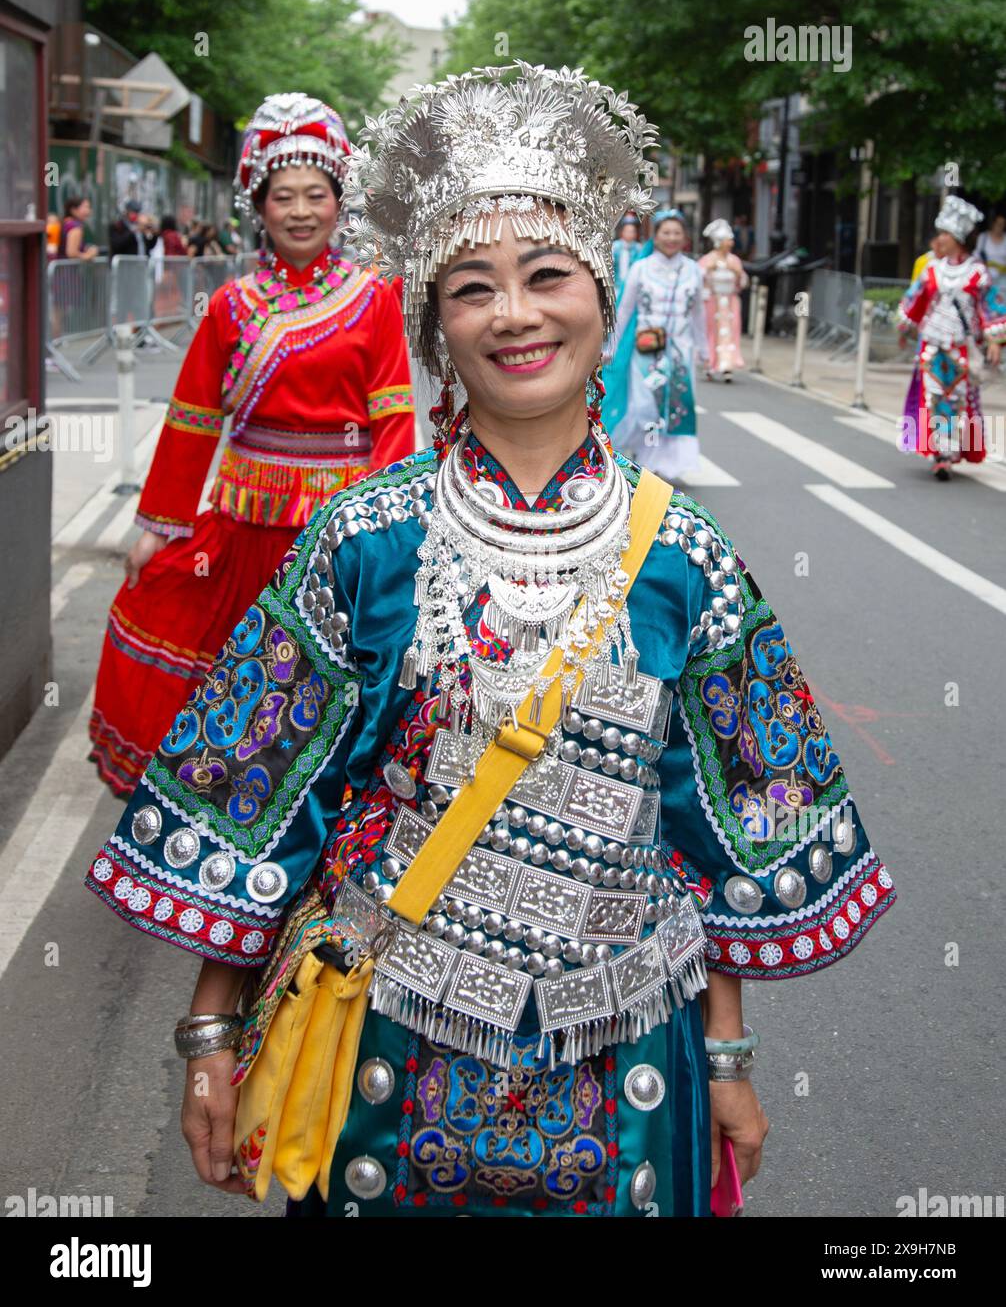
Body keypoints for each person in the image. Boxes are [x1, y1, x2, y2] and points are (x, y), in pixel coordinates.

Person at [84, 61, 896, 1219]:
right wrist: (211, 1031)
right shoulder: (362, 539)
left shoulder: (686, 555)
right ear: (435, 325)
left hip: (630, 1063)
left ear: (602, 304)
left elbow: (722, 827)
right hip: (385, 1053)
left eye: (546, 276)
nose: (514, 312)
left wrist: (726, 1059)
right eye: (472, 287)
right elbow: (260, 796)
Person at [87, 92, 416, 796]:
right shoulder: (232, 305)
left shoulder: (372, 298)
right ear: (259, 207)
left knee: (323, 682)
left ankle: (318, 829)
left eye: (316, 195)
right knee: (233, 673)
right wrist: (156, 527)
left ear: (338, 202)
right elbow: (194, 419)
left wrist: (389, 530)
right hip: (243, 526)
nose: (300, 211)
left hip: (337, 534)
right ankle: (220, 812)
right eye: (284, 197)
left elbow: (392, 419)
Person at [898, 196, 1006, 481]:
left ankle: (950, 449)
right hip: (932, 343)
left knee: (956, 398)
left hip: (961, 346)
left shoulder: (977, 272)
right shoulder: (932, 269)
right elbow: (915, 300)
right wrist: (905, 326)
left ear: (957, 238)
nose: (939, 240)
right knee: (933, 394)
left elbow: (991, 306)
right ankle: (940, 452)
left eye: (944, 234)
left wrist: (995, 339)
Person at [603, 208, 706, 481]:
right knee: (646, 405)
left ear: (684, 237)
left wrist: (705, 350)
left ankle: (669, 462)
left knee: (677, 407)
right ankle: (646, 457)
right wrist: (610, 347)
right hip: (646, 350)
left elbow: (698, 315)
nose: (671, 238)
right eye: (666, 232)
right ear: (656, 236)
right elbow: (623, 311)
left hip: (681, 351)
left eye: (676, 233)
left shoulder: (694, 270)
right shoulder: (641, 268)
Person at [698, 219, 749, 382]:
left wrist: (738, 273)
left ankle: (727, 365)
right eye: (728, 240)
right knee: (711, 332)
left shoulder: (734, 261)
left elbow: (743, 283)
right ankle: (710, 364)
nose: (731, 243)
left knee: (731, 332)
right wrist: (708, 270)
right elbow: (696, 279)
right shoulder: (707, 259)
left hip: (730, 301)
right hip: (712, 301)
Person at [57, 195, 100, 261]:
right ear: (74, 210)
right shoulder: (75, 227)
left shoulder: (65, 223)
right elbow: (71, 253)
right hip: (68, 270)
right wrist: (89, 255)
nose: (89, 211)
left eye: (89, 207)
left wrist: (85, 249)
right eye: (85, 207)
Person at [612, 213, 642, 295]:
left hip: (633, 286)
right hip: (616, 286)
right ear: (622, 232)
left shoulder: (638, 248)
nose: (630, 234)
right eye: (627, 231)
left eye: (632, 231)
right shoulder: (615, 247)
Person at [976, 209, 1006, 282]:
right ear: (993, 224)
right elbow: (976, 255)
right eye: (998, 224)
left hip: (1003, 279)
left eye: (1002, 224)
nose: (1000, 227)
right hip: (985, 276)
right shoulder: (983, 237)